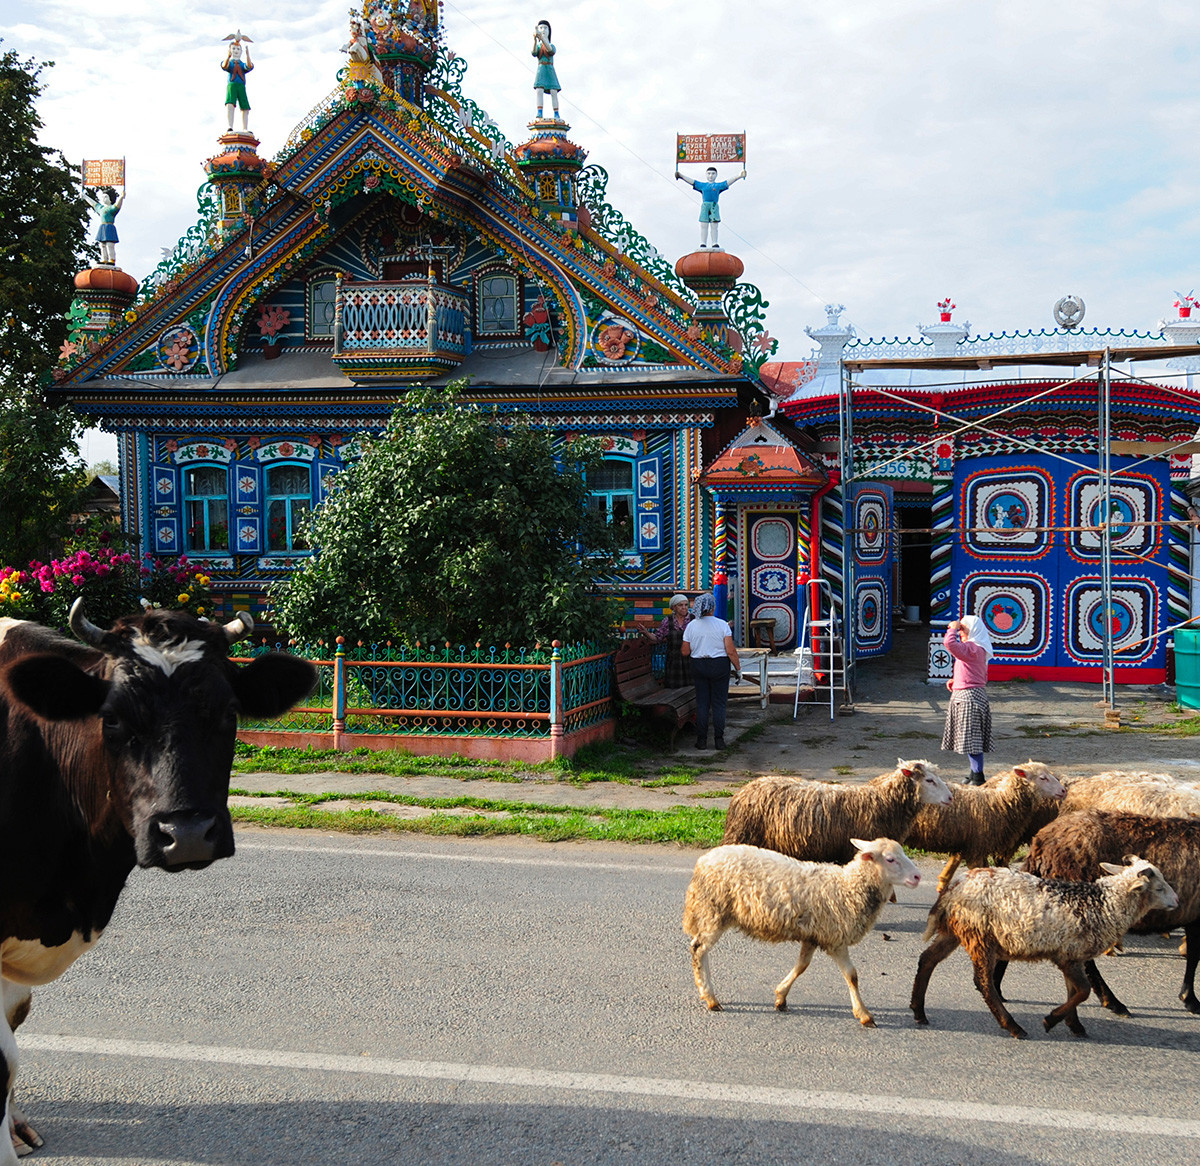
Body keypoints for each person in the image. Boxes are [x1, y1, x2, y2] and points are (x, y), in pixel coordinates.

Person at [681, 592, 741, 750]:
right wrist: (738, 669)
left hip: (698, 665)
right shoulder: (722, 625)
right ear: (713, 607)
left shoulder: (691, 626)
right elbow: (730, 651)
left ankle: (701, 740)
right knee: (719, 704)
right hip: (719, 666)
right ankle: (719, 740)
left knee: (702, 703)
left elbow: (685, 651)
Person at [940, 614, 994, 785]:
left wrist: (952, 628)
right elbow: (974, 672)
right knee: (971, 738)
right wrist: (956, 680)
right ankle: (973, 773)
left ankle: (978, 776)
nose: (960, 632)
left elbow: (949, 643)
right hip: (969, 695)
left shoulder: (973, 648)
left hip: (969, 698)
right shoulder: (976, 649)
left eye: (963, 629)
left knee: (972, 739)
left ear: (973, 631)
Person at [674, 165, 746, 250]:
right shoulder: (703, 185)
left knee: (714, 225)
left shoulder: (718, 186)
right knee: (703, 225)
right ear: (706, 175)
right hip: (705, 206)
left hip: (714, 206)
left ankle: (714, 242)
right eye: (709, 174)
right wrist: (681, 175)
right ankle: (703, 242)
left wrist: (739, 176)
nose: (711, 176)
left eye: (713, 173)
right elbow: (692, 182)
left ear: (716, 175)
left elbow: (727, 182)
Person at [642, 593, 693, 688]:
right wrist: (646, 633)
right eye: (680, 605)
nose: (684, 608)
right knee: (674, 689)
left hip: (690, 660)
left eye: (686, 605)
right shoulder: (667, 621)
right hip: (674, 661)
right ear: (674, 607)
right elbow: (657, 638)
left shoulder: (693, 620)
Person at [81, 186, 125, 265]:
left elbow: (118, 205)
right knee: (102, 245)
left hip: (109, 227)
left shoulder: (111, 209)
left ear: (110, 198)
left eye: (106, 197)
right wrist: (85, 197)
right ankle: (104, 259)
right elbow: (93, 203)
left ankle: (112, 259)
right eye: (103, 197)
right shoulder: (101, 208)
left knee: (109, 244)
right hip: (102, 227)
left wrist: (121, 197)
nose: (104, 199)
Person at [223, 38, 254, 132]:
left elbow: (249, 66)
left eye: (238, 49)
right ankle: (230, 126)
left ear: (241, 51)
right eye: (233, 49)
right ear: (230, 50)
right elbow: (224, 66)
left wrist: (248, 55)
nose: (236, 51)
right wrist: (228, 56)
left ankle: (245, 128)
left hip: (241, 86)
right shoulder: (230, 63)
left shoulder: (242, 64)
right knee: (230, 104)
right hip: (232, 85)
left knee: (245, 106)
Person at [532, 20, 560, 119]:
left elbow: (550, 50)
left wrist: (542, 38)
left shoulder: (551, 45)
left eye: (545, 28)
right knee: (539, 90)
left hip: (550, 69)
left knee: (553, 91)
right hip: (541, 69)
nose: (543, 30)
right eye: (541, 28)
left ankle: (556, 113)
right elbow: (534, 53)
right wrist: (535, 40)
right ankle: (539, 112)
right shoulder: (539, 46)